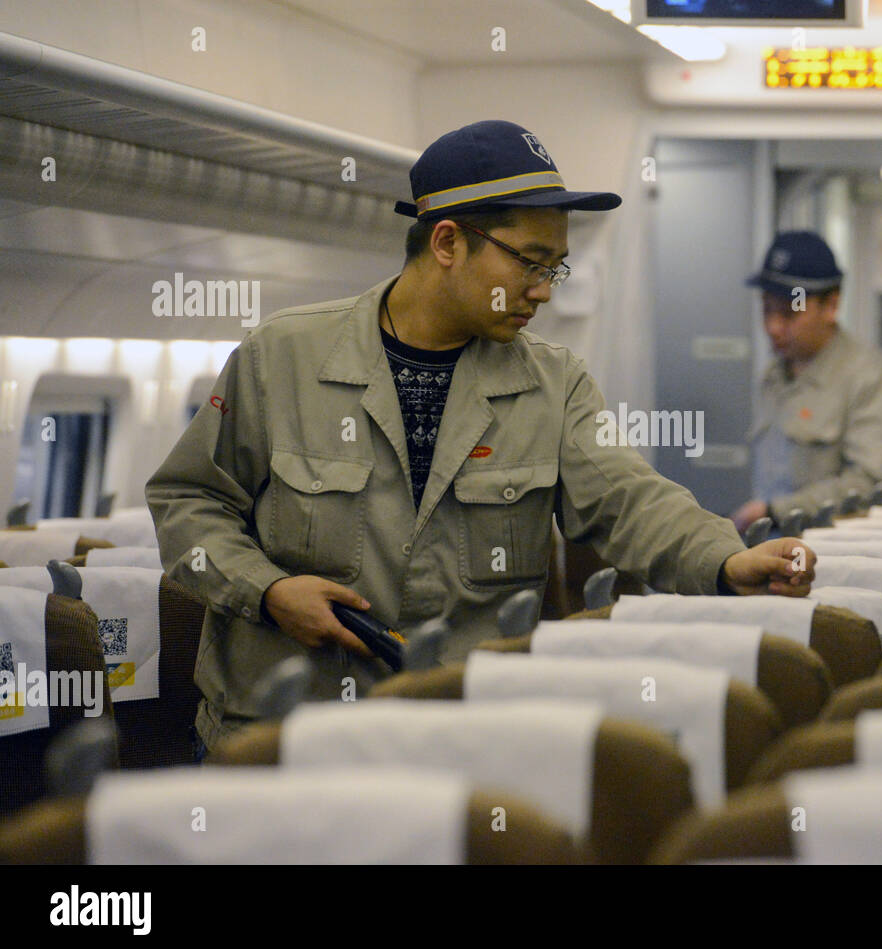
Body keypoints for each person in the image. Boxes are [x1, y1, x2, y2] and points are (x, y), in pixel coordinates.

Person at [146, 120, 814, 752]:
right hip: (282, 738)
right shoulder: (282, 356)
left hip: (460, 737)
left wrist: (724, 560)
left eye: (555, 268)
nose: (544, 291)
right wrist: (266, 589)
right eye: (531, 261)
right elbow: (188, 501)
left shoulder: (553, 384)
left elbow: (630, 499)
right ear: (446, 243)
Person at [731, 231, 882, 533]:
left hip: (833, 562)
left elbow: (872, 482)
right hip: (772, 554)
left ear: (831, 306)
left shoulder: (869, 377)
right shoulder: (774, 376)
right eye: (767, 309)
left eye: (788, 313)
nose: (773, 327)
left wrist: (775, 511)